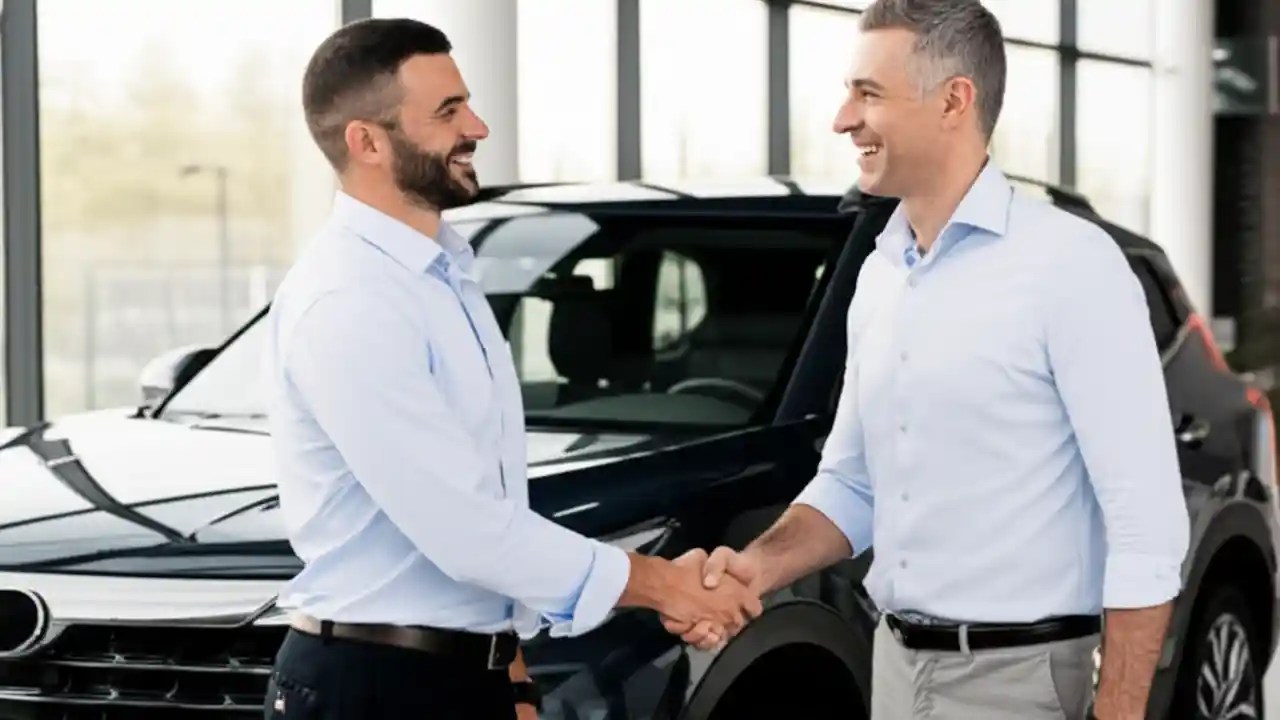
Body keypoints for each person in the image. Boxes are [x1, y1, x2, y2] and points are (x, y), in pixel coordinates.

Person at [668, 1, 1190, 718]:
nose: (842, 118)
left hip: (1022, 684)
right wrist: (754, 567)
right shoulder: (882, 273)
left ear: (954, 100)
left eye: (868, 93)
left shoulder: (1070, 265)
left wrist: (1120, 710)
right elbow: (852, 484)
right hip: (894, 669)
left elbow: (1148, 527)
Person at [261, 18, 760, 720]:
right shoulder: (353, 299)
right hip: (374, 689)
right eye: (448, 112)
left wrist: (514, 678)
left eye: (467, 102)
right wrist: (666, 586)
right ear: (366, 142)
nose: (479, 126)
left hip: (458, 675)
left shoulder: (443, 276)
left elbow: (486, 517)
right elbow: (464, 531)